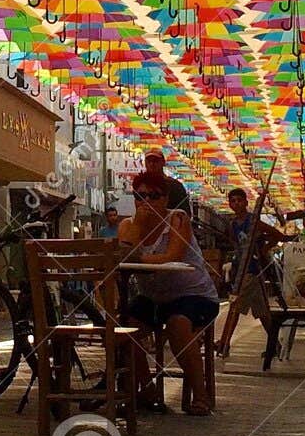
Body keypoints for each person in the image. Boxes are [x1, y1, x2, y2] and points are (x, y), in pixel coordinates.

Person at [119, 175, 217, 415]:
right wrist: (139, 227)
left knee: (179, 325)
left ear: (166, 199)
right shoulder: (127, 225)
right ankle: (148, 389)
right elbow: (122, 256)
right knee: (124, 330)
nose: (146, 202)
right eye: (140, 196)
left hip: (193, 294)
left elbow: (172, 255)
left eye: (153, 196)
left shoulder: (178, 219)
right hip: (153, 297)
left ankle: (200, 395)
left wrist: (138, 257)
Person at [214, 186, 287, 358]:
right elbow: (236, 246)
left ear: (246, 202)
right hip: (241, 269)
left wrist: (264, 249)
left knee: (234, 307)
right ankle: (274, 345)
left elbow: (276, 235)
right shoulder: (232, 225)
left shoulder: (253, 221)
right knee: (262, 313)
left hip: (252, 271)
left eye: (239, 200)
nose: (236, 203)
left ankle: (224, 344)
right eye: (233, 201)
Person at [137, 149, 190, 214]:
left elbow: (185, 212)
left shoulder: (175, 185)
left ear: (163, 162)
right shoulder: (141, 185)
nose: (152, 164)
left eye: (155, 161)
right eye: (149, 161)